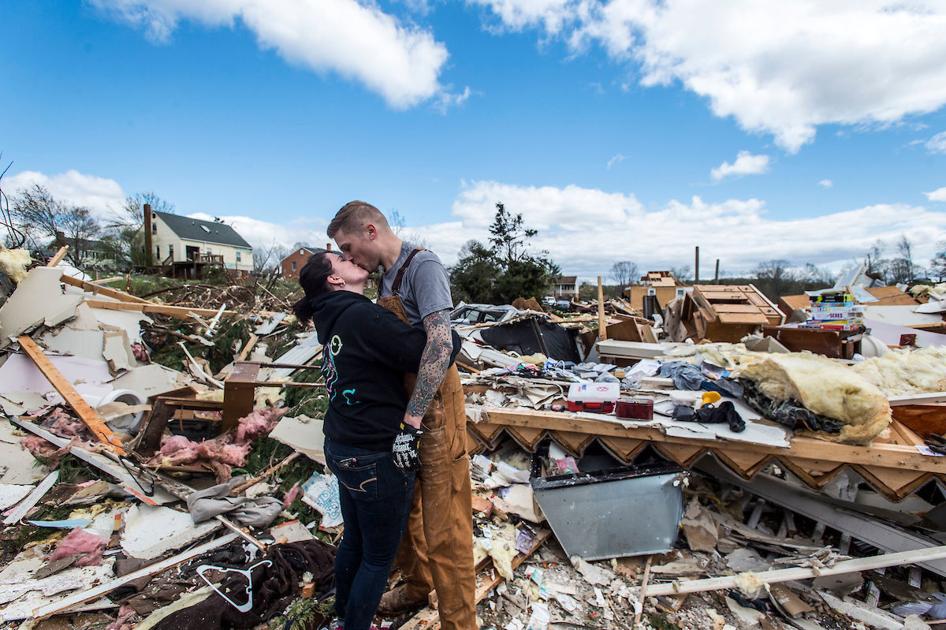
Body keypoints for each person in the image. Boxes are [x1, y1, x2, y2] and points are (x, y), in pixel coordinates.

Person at [327, 201, 476, 630]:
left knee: (445, 529)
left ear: (371, 231)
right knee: (404, 516)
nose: (350, 258)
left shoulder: (422, 267)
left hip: (436, 416)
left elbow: (441, 344)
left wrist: (413, 422)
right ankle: (415, 586)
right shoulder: (384, 280)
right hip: (404, 417)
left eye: (349, 247)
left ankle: (459, 622)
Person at [292, 250, 460, 630]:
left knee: (354, 539)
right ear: (334, 279)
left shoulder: (331, 317)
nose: (352, 259)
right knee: (378, 557)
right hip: (374, 453)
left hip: (341, 446)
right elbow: (430, 351)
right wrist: (448, 335)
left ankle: (341, 614)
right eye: (342, 259)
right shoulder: (360, 315)